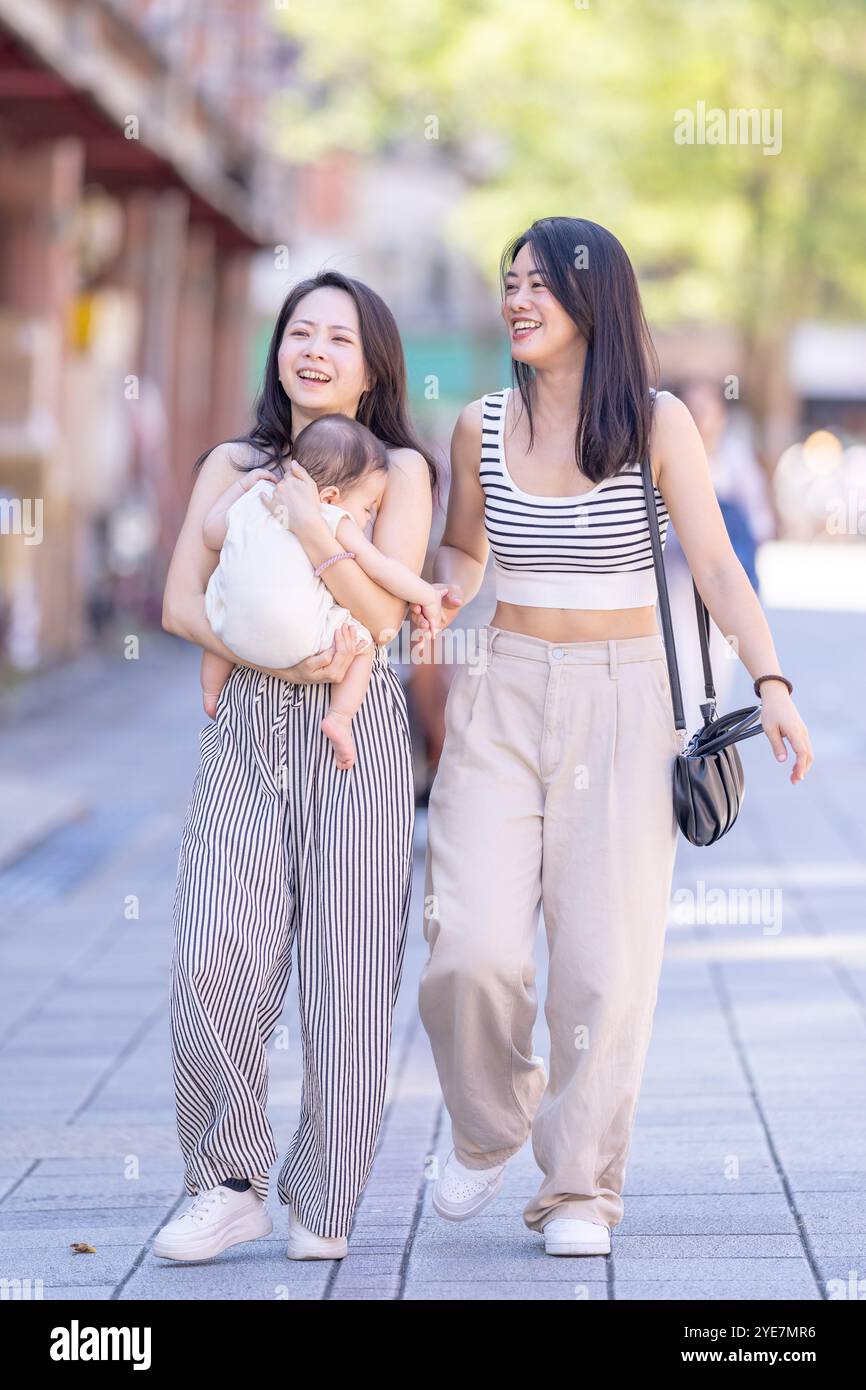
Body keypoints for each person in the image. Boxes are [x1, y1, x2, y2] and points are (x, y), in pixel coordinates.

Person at [412, 216, 813, 1259]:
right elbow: (463, 552)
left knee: (602, 961)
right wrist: (430, 599)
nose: (517, 298)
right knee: (468, 942)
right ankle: (490, 1123)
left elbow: (717, 568)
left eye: (540, 283)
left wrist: (768, 679)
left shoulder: (652, 422)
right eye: (509, 281)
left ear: (594, 301)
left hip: (625, 696)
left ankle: (579, 1185)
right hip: (501, 690)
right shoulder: (478, 427)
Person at [156, 270, 442, 1263]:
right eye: (299, 331)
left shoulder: (400, 470)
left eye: (339, 338)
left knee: (348, 974)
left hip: (350, 735)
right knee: (209, 957)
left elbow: (378, 619)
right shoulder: (233, 462)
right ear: (277, 348)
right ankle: (224, 1178)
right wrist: (264, 645)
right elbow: (178, 602)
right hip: (243, 727)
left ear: (371, 369)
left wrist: (315, 533)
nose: (313, 348)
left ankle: (325, 1191)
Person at [200, 413, 443, 768]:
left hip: (234, 641)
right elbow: (380, 567)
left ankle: (210, 693)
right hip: (305, 646)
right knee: (362, 642)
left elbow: (210, 533)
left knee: (224, 600)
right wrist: (425, 594)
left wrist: (239, 490)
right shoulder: (333, 518)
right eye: (367, 508)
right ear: (330, 496)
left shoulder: (255, 501)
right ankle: (340, 719)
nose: (365, 517)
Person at [664, 376, 776, 727]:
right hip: (676, 579)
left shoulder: (734, 459)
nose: (702, 419)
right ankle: (687, 732)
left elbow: (760, 519)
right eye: (693, 410)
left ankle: (707, 731)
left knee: (719, 661)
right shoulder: (665, 455)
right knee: (680, 656)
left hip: (722, 576)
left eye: (708, 409)